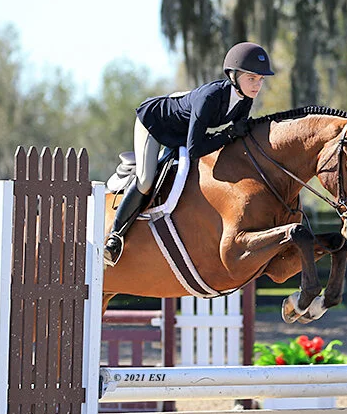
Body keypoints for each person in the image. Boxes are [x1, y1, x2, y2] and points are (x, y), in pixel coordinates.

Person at [103, 42, 274, 266]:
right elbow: (196, 149)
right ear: (233, 76)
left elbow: (236, 137)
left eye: (261, 79)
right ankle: (114, 238)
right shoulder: (211, 98)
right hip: (155, 124)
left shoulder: (245, 100)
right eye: (252, 78)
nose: (257, 85)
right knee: (146, 180)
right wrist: (229, 133)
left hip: (183, 131)